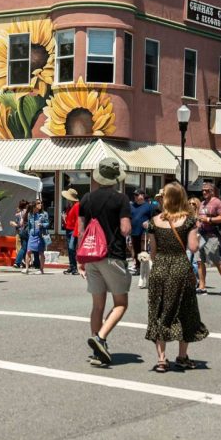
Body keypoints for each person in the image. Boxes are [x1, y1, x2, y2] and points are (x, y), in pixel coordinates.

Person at [143, 182, 208, 372]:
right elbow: (193, 247)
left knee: (159, 311)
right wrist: (196, 232)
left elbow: (153, 252)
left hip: (160, 267)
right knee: (184, 310)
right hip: (180, 267)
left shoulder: (154, 221)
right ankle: (182, 356)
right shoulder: (188, 221)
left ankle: (161, 359)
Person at [78, 157, 133, 367]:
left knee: (97, 305)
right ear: (116, 178)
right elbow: (125, 229)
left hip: (91, 255)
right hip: (112, 254)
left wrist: (80, 259)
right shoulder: (121, 199)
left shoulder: (86, 199)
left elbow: (81, 231)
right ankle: (100, 338)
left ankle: (97, 351)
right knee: (121, 303)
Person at [195, 180, 221, 296]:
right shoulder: (202, 203)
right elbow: (199, 218)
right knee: (199, 261)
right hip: (201, 235)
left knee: (217, 261)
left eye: (207, 190)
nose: (204, 192)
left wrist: (209, 219)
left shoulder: (217, 202)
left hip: (212, 236)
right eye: (203, 190)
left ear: (212, 191)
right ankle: (202, 287)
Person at [128, 190, 156, 276]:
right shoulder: (132, 206)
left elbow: (154, 218)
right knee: (136, 250)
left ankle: (147, 267)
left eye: (137, 195)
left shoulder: (149, 206)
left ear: (142, 196)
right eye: (134, 195)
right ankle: (138, 267)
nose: (135, 197)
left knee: (144, 250)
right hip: (134, 231)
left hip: (144, 232)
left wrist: (148, 222)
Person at [23, 199, 49, 274]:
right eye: (38, 203)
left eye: (41, 203)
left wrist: (42, 225)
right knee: (28, 251)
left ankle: (41, 269)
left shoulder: (44, 214)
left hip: (40, 235)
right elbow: (29, 225)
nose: (40, 204)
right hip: (32, 235)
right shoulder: (30, 214)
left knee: (41, 252)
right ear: (34, 206)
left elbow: (47, 224)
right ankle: (26, 268)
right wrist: (29, 233)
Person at [62, 187, 81, 274]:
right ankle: (72, 266)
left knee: (71, 248)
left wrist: (76, 232)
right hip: (68, 229)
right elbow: (70, 219)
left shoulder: (77, 205)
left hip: (73, 230)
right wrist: (64, 218)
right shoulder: (70, 206)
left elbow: (78, 219)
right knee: (70, 249)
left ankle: (74, 268)